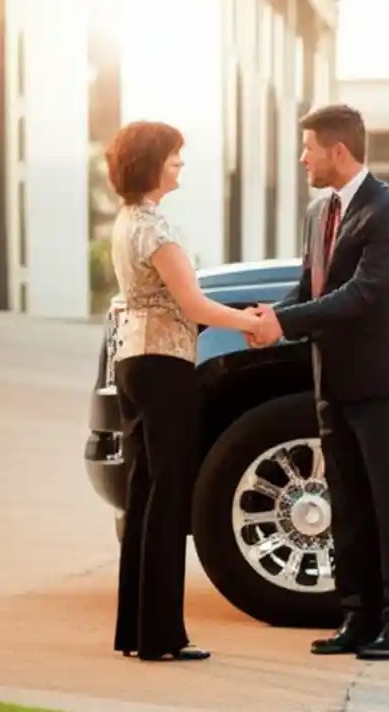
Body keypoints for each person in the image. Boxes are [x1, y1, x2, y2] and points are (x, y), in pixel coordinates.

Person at [246, 104, 389, 661]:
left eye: (308, 148)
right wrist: (268, 320)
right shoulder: (318, 212)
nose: (302, 157)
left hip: (387, 387)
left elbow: (363, 295)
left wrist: (285, 322)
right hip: (335, 384)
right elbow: (311, 286)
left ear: (338, 151)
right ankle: (359, 618)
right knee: (347, 507)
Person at [106, 121, 264, 662]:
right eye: (175, 156)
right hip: (163, 362)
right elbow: (194, 306)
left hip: (132, 360)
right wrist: (250, 322)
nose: (180, 164)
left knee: (146, 492)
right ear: (152, 162)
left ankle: (136, 632)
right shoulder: (158, 228)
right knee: (169, 498)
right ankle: (163, 637)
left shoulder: (127, 222)